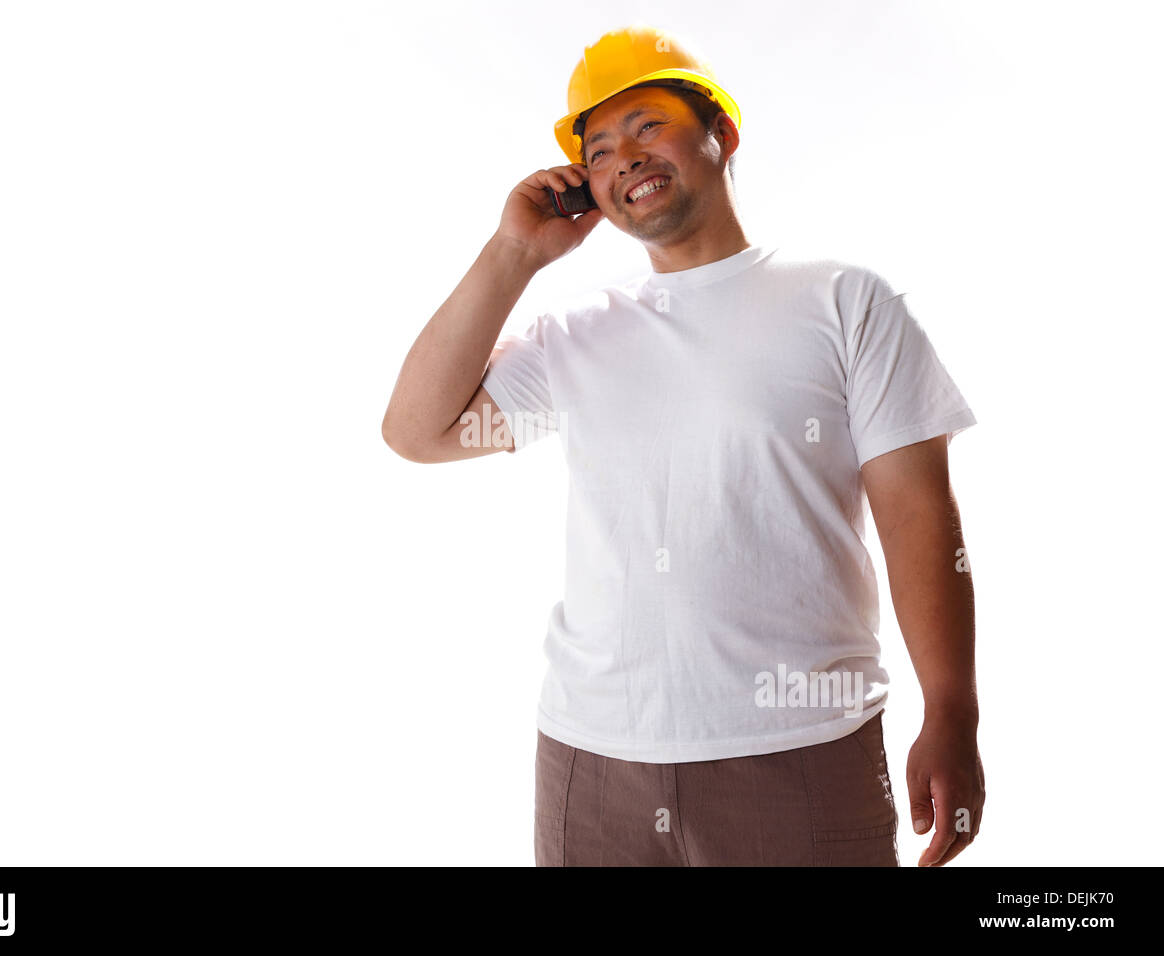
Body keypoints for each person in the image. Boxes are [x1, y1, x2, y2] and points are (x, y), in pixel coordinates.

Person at [381, 24, 984, 867]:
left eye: (647, 125)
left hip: (800, 755)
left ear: (722, 135)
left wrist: (952, 713)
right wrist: (514, 253)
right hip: (591, 766)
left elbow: (920, 513)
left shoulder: (846, 303)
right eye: (597, 149)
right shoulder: (576, 337)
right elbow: (415, 432)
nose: (622, 155)